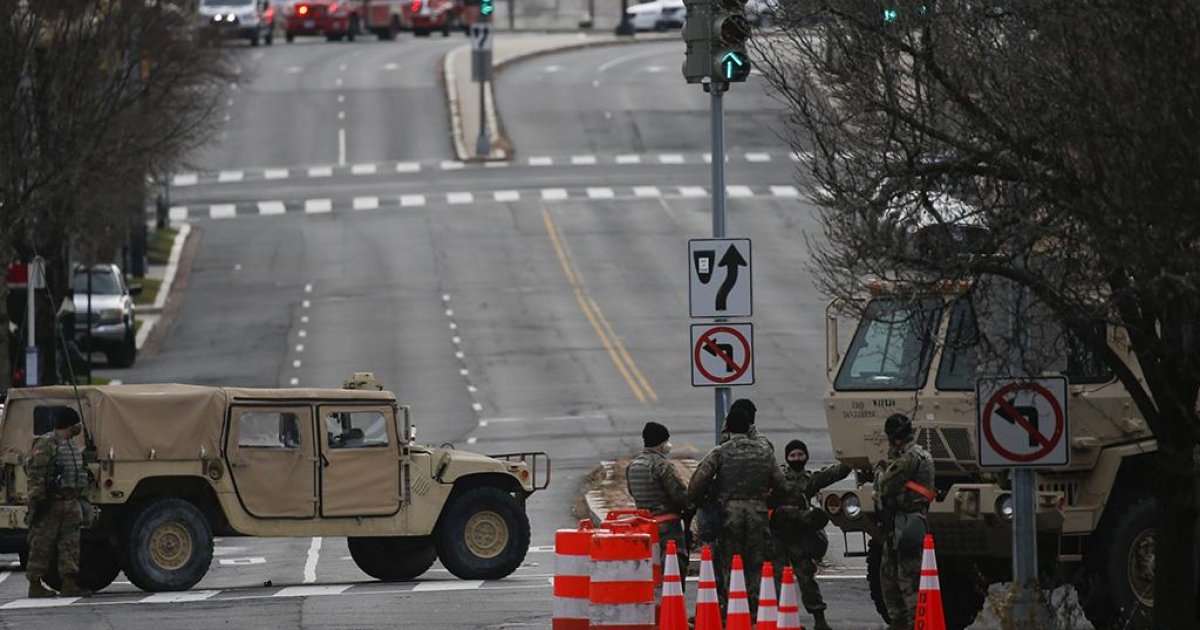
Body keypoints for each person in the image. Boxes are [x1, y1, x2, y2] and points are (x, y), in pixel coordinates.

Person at [688, 405, 786, 617]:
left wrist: (702, 502)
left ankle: (733, 608)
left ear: (728, 428)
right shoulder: (764, 451)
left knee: (731, 562)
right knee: (757, 563)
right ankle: (757, 610)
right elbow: (782, 487)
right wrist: (767, 502)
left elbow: (697, 483)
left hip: (729, 515)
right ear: (749, 426)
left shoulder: (720, 452)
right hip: (758, 514)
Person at [771, 439, 851, 630]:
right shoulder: (778, 477)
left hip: (800, 537)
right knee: (776, 579)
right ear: (787, 458)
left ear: (806, 456)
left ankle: (819, 618)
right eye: (793, 455)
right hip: (779, 536)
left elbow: (834, 473)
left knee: (806, 578)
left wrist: (852, 459)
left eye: (800, 455)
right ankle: (776, 619)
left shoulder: (810, 479)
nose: (797, 458)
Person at [873, 413, 934, 630]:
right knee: (889, 577)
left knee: (907, 580)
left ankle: (912, 622)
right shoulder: (919, 455)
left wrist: (879, 470)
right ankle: (900, 622)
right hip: (903, 522)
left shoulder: (910, 457)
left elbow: (885, 486)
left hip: (906, 523)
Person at [25, 406, 91, 598]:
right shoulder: (46, 443)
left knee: (70, 545)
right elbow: (36, 475)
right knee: (42, 544)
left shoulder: (71, 445)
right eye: (76, 423)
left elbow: (78, 473)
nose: (78, 427)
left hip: (71, 502)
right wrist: (37, 502)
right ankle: (35, 584)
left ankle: (69, 584)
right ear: (68, 424)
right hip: (51, 503)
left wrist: (82, 499)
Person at [626, 421, 692, 581]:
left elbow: (632, 493)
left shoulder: (633, 466)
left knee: (650, 574)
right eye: (666, 441)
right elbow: (680, 496)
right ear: (661, 443)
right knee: (673, 571)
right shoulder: (662, 465)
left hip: (644, 527)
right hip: (667, 529)